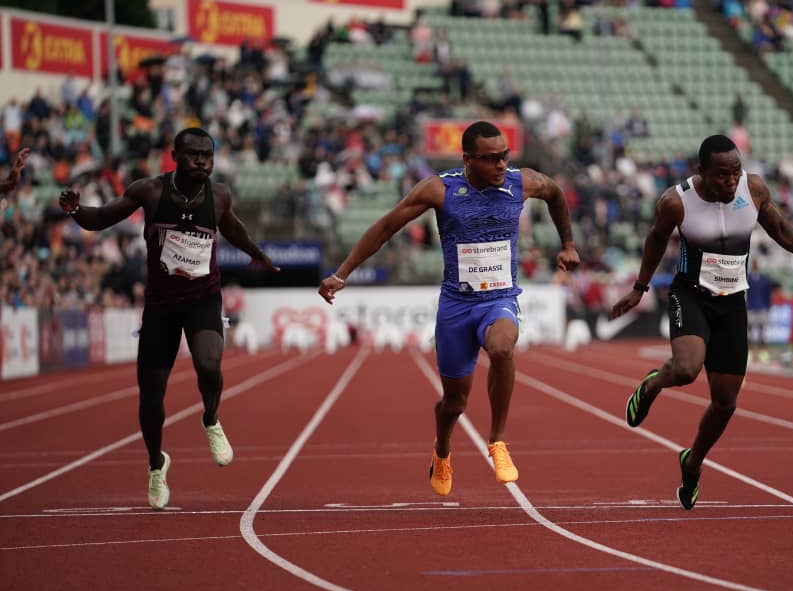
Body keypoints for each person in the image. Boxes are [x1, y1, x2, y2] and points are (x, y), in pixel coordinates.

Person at [318, 121, 579, 496]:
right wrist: (342, 274)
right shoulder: (441, 189)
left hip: (499, 298)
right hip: (456, 306)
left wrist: (567, 243)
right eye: (491, 159)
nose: (502, 164)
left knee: (504, 347)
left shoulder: (522, 182)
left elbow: (556, 194)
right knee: (453, 402)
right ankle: (442, 448)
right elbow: (387, 226)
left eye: (505, 156)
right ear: (468, 160)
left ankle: (498, 441)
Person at [612, 135, 793, 510]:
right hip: (691, 294)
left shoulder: (753, 189)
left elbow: (780, 230)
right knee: (687, 368)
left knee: (725, 402)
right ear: (702, 173)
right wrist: (640, 287)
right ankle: (653, 384)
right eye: (722, 174)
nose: (730, 181)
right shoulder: (676, 202)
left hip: (732, 302)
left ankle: (692, 462)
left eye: (735, 171)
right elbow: (656, 239)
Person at [59, 128, 278, 510]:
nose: (202, 162)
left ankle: (210, 419)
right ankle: (156, 464)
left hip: (203, 298)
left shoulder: (220, 195)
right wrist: (77, 210)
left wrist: (255, 253)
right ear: (174, 156)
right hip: (161, 306)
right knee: (151, 398)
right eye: (193, 155)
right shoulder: (150, 192)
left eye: (208, 156)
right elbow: (102, 219)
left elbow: (233, 227)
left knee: (210, 365)